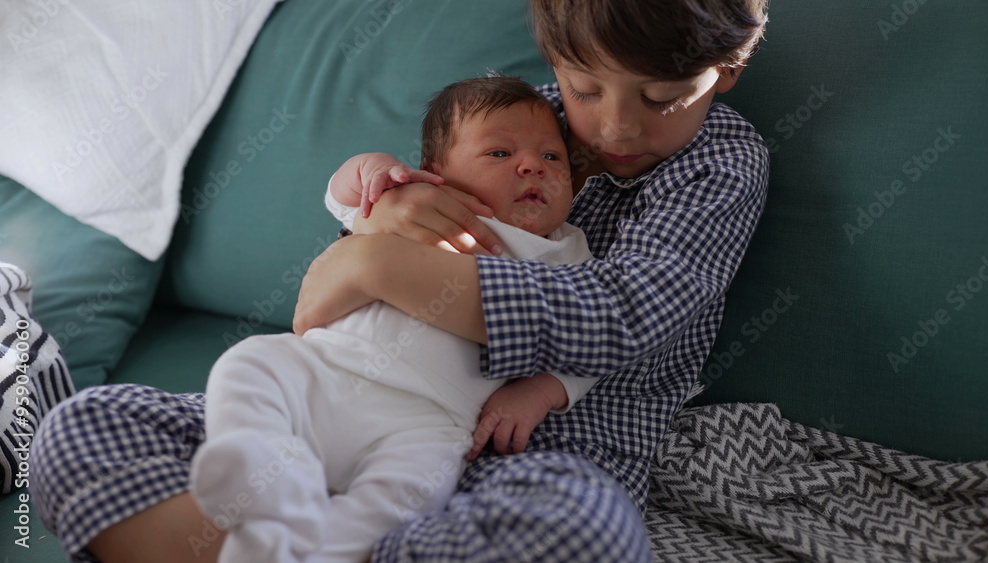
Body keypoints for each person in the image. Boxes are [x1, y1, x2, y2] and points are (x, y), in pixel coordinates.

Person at [30, 0, 769, 561]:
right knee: (77, 430)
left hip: (518, 455)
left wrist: (379, 265)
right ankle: (288, 532)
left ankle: (306, 542)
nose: (614, 129)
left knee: (586, 526)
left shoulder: (720, 165)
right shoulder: (519, 119)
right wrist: (387, 210)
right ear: (557, 62)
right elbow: (364, 244)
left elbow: (622, 315)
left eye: (660, 98)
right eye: (583, 88)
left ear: (728, 72)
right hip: (327, 406)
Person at [188, 76, 598, 563]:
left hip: (430, 419)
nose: (533, 166)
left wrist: (541, 391)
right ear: (436, 170)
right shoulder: (418, 204)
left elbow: (590, 337)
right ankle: (263, 466)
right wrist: (374, 171)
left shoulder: (567, 250)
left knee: (410, 493)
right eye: (499, 153)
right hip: (326, 369)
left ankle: (315, 549)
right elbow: (342, 195)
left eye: (552, 157)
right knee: (250, 362)